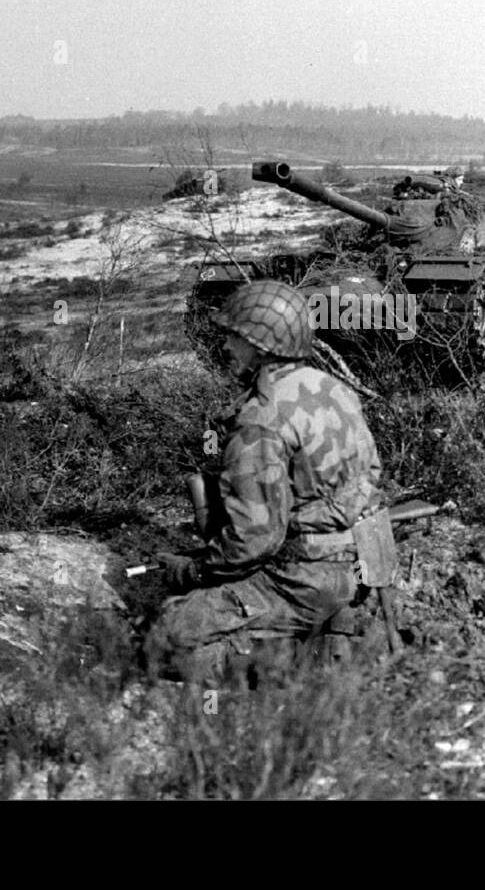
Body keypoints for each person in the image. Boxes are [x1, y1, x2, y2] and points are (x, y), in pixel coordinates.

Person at [146, 279, 392, 682]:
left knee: (167, 636)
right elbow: (372, 476)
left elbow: (255, 540)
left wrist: (193, 572)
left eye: (234, 337)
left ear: (261, 347)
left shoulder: (260, 418)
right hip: (363, 565)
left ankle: (308, 663)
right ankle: (333, 627)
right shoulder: (334, 389)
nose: (224, 347)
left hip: (299, 579)